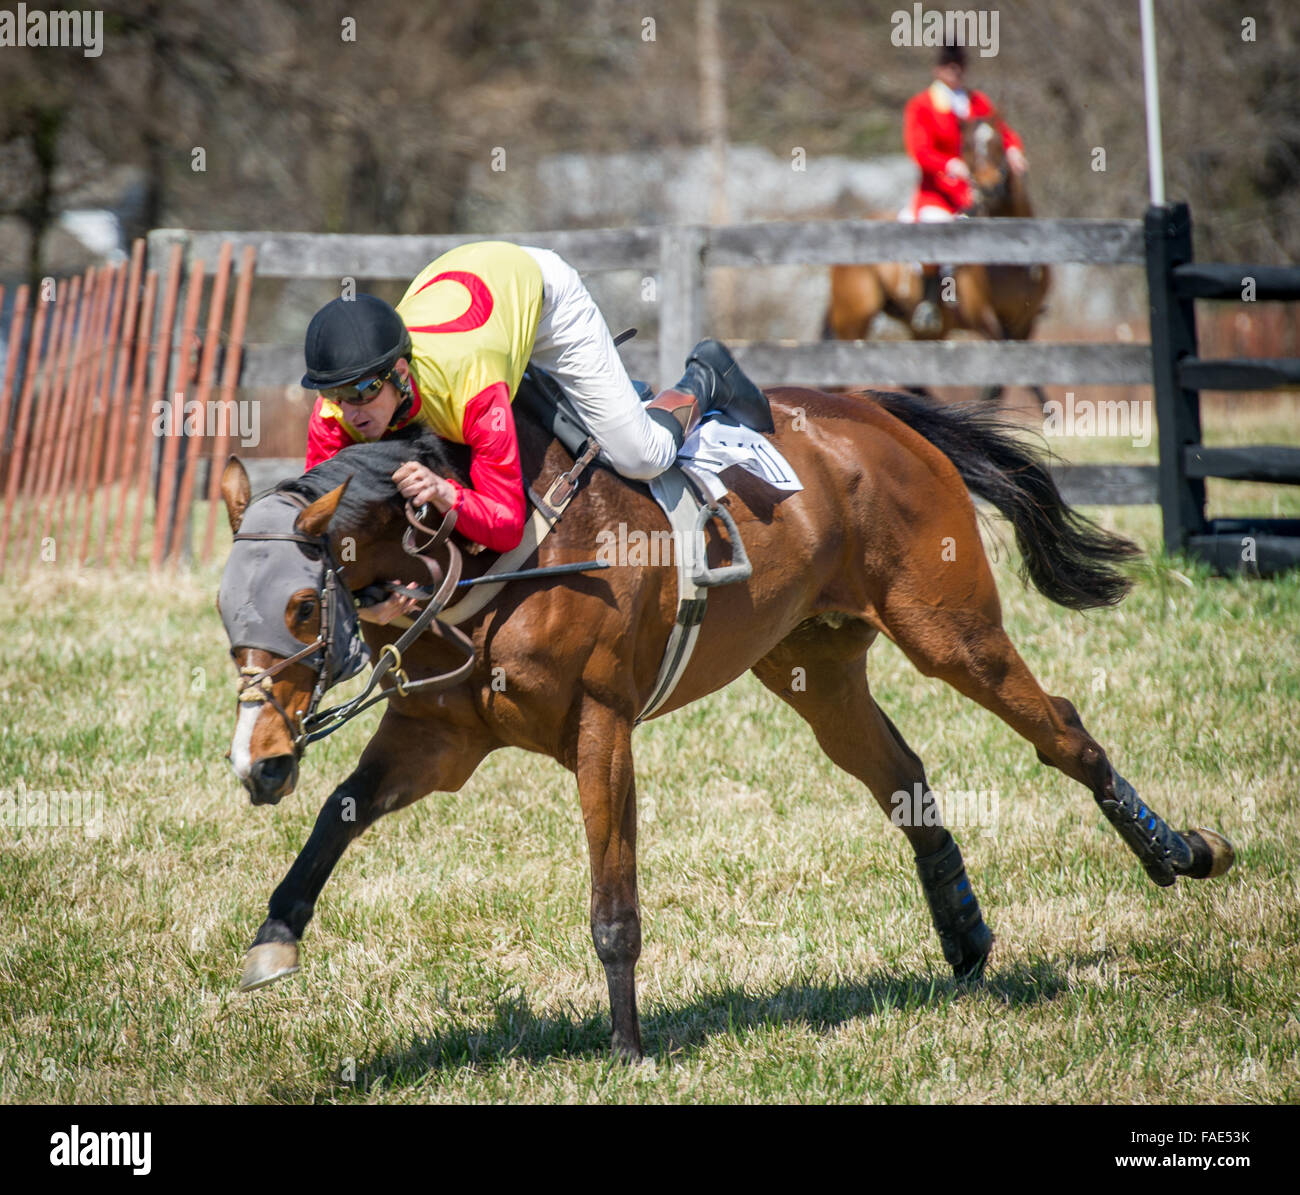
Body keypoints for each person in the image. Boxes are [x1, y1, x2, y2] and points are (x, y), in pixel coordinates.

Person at [299, 240, 772, 623]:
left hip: (544, 296)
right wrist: (363, 603)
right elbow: (319, 529)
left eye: (361, 392)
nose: (348, 410)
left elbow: (506, 527)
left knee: (641, 455)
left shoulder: (472, 389)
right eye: (336, 394)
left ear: (401, 372)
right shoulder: (334, 412)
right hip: (468, 286)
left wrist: (446, 493)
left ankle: (704, 379)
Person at [901, 43, 1027, 334]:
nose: (955, 71)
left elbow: (1000, 132)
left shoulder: (977, 102)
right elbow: (919, 150)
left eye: (959, 65)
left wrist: (1014, 150)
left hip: (975, 195)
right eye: (948, 65)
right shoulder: (923, 104)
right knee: (937, 231)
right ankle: (930, 302)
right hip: (938, 194)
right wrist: (949, 166)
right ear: (938, 69)